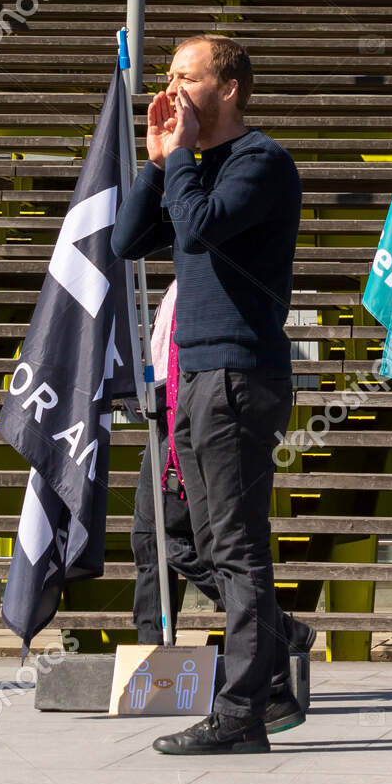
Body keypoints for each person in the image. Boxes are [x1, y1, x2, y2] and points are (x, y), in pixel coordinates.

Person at [113, 34, 304, 756]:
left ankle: (242, 713)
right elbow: (130, 241)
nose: (170, 88)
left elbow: (197, 226)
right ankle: (275, 675)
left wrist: (183, 159)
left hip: (237, 376)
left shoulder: (260, 163)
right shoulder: (194, 167)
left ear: (227, 88)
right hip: (193, 376)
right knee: (188, 535)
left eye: (185, 76)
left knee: (236, 545)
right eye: (167, 75)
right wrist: (157, 163)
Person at [132, 281, 315, 684]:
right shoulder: (177, 285)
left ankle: (274, 627)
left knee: (177, 541)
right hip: (162, 413)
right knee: (149, 538)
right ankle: (149, 654)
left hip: (190, 413)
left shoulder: (208, 283)